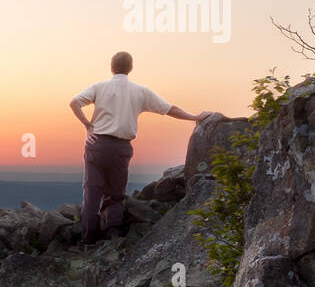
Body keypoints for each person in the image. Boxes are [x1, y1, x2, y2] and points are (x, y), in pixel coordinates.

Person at [69, 51, 212, 246]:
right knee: (115, 193)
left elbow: (74, 102)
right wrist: (194, 117)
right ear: (131, 68)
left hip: (97, 145)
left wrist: (87, 125)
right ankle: (113, 236)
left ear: (111, 67)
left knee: (91, 192)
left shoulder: (99, 87)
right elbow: (169, 109)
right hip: (121, 147)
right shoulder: (140, 91)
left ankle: (88, 240)